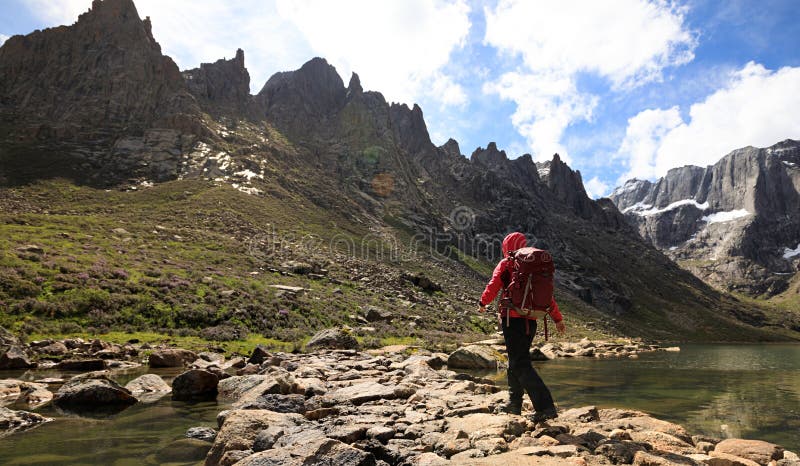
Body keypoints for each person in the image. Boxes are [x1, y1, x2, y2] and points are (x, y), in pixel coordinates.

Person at [478, 231, 566, 422]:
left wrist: (483, 303)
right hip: (531, 320)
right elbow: (548, 297)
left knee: (520, 363)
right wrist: (557, 319)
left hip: (512, 320)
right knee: (515, 362)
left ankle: (545, 407)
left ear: (506, 246)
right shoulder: (532, 267)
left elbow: (494, 285)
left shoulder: (508, 263)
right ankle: (514, 404)